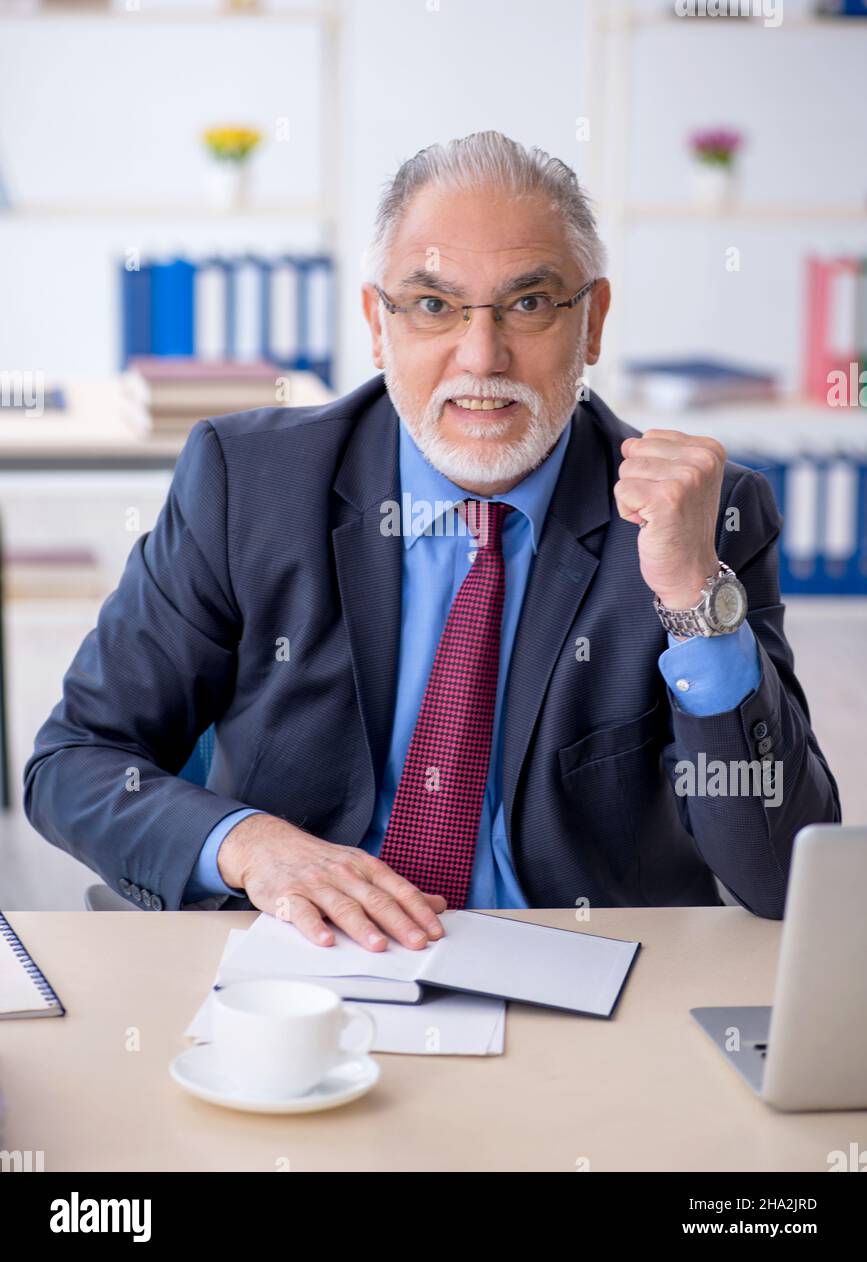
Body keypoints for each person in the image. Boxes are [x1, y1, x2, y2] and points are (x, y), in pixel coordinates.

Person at [24, 131, 839, 949]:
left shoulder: (704, 515)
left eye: (528, 303)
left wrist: (693, 599)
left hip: (583, 975)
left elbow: (778, 877)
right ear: (378, 325)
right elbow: (76, 761)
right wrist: (249, 845)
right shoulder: (248, 482)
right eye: (432, 305)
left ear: (591, 322)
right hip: (308, 963)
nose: (481, 357)